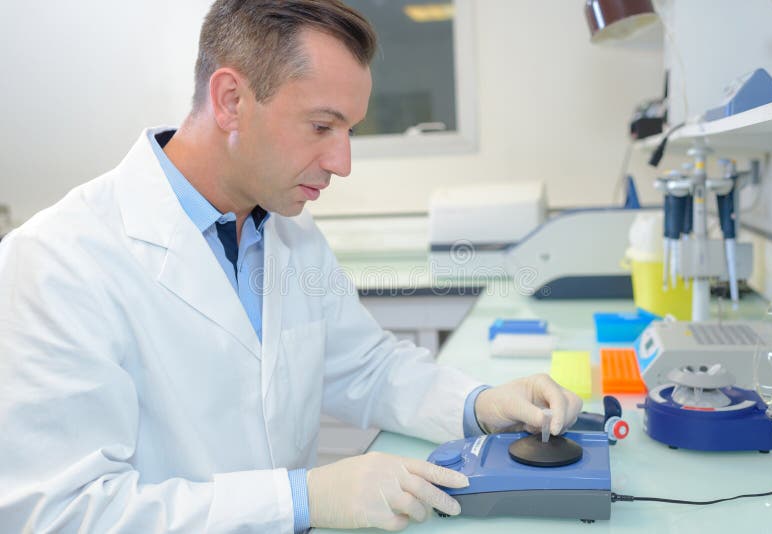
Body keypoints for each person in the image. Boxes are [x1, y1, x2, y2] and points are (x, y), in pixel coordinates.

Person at [0, 1, 582, 532]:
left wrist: (479, 403)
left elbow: (365, 367)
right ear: (231, 100)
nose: (343, 161)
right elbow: (62, 512)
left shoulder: (286, 229)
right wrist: (300, 499)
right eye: (322, 126)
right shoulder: (57, 263)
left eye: (348, 131)